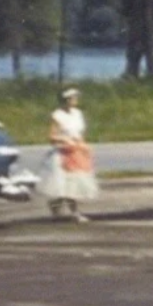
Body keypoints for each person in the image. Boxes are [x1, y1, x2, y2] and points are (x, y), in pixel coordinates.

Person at [40, 88, 98, 223]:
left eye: (76, 97)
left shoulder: (78, 114)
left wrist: (83, 145)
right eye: (72, 98)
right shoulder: (57, 115)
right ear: (65, 100)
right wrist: (64, 140)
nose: (75, 100)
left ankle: (74, 212)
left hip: (76, 152)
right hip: (63, 153)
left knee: (74, 184)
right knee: (61, 185)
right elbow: (52, 136)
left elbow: (80, 133)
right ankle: (58, 211)